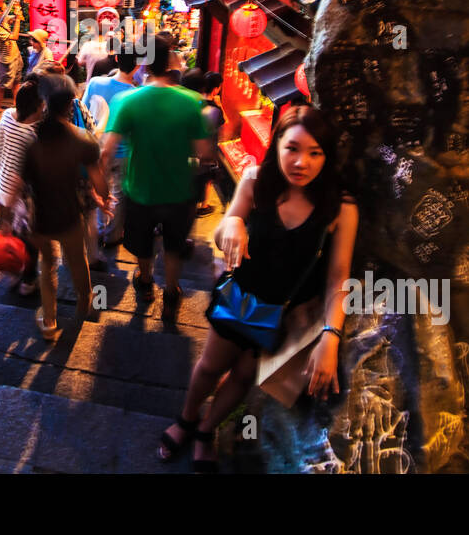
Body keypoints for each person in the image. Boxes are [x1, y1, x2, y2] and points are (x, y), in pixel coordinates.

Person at [157, 105, 357, 473]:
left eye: (315, 153)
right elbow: (224, 232)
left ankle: (206, 430)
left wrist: (331, 335)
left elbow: (338, 276)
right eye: (293, 148)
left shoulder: (339, 207)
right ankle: (186, 419)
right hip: (240, 297)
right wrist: (232, 222)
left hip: (283, 312)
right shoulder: (255, 181)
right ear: (277, 144)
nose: (302, 162)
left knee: (245, 376)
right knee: (209, 366)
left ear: (327, 158)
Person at [101, 35, 211, 320]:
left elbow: (107, 151)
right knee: (173, 248)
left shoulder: (127, 101)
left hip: (140, 191)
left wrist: (100, 190)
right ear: (170, 62)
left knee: (143, 244)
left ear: (144, 65)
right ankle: (171, 292)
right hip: (178, 192)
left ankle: (146, 282)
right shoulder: (192, 102)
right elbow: (203, 153)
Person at [20, 76, 107, 341]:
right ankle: (85, 305)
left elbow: (21, 183)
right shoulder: (82, 140)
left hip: (39, 219)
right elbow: (101, 186)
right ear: (71, 104)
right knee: (78, 262)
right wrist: (103, 196)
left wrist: (7, 216)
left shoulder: (31, 139)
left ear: (44, 103)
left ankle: (49, 322)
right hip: (70, 215)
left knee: (47, 265)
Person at [82, 51, 137, 248]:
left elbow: (84, 108)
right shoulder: (135, 93)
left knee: (99, 188)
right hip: (123, 151)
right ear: (137, 66)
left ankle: (97, 230)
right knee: (119, 193)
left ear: (116, 59)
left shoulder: (96, 83)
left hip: (96, 148)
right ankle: (112, 236)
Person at [0, 78, 43, 295]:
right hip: (23, 195)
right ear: (37, 105)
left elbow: (1, 149)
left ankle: (14, 274)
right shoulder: (34, 133)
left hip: (3, 186)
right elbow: (24, 174)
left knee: (14, 234)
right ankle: (28, 281)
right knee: (30, 240)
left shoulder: (6, 116)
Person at [182, 69, 225, 216]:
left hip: (188, 154)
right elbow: (224, 126)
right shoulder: (213, 110)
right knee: (204, 179)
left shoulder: (191, 104)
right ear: (215, 89)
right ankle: (202, 206)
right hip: (204, 154)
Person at [0, 3, 24, 116]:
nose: (6, 11)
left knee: (17, 82)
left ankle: (16, 104)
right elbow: (15, 36)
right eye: (4, 9)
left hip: (15, 55)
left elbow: (16, 17)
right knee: (3, 85)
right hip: (7, 59)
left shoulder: (3, 20)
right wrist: (17, 20)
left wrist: (17, 10)